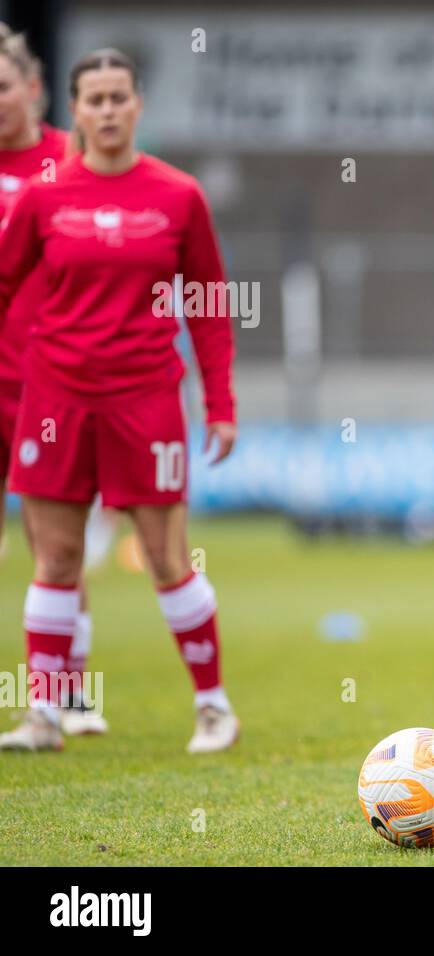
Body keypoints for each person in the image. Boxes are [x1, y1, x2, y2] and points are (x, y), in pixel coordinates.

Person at [0, 48, 239, 754]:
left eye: (118, 97)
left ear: (138, 105)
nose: (107, 110)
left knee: (166, 557)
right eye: (94, 99)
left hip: (146, 397)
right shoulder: (44, 195)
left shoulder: (179, 195)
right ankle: (44, 716)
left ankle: (214, 707)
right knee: (56, 557)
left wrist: (220, 404)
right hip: (55, 398)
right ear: (73, 109)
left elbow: (209, 305)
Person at [0, 25, 111, 737]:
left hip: (46, 388)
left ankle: (69, 694)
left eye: (2, 86)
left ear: (34, 88)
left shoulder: (70, 161)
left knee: (57, 548)